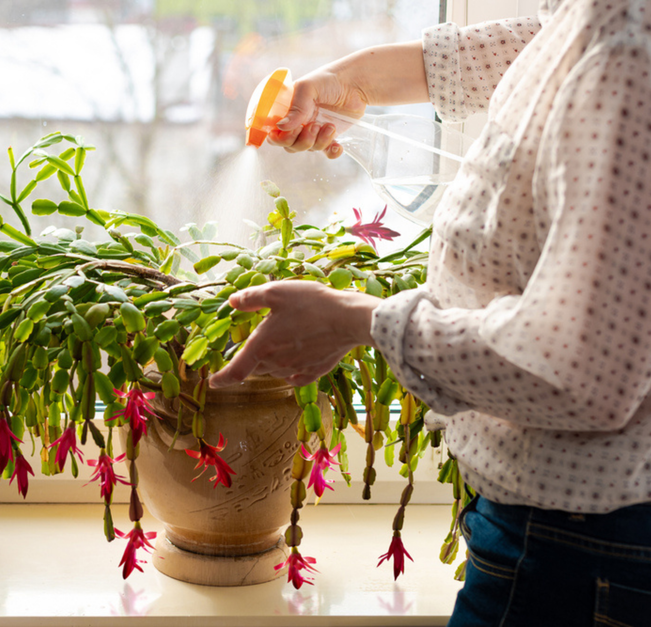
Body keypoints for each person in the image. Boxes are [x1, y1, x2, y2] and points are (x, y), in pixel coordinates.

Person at [208, 0, 651, 625]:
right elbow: (540, 48)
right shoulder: (602, 27)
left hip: (583, 551)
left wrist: (359, 320)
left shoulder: (628, 53)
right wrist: (354, 80)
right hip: (566, 535)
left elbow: (581, 372)